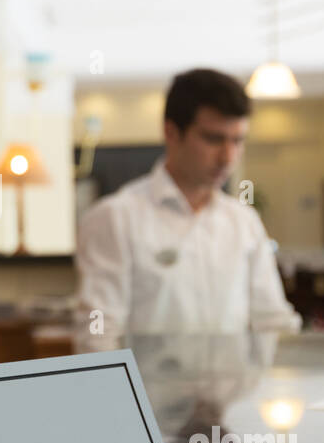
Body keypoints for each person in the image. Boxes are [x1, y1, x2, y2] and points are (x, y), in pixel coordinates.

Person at [76, 68, 301, 341]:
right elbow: (99, 331)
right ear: (172, 132)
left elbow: (272, 320)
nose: (228, 157)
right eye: (213, 139)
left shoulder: (243, 221)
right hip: (148, 383)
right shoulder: (116, 218)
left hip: (235, 383)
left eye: (238, 140)